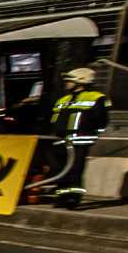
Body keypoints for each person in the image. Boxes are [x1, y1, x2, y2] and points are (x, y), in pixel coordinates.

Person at [43, 68, 109, 208]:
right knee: (59, 169)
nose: (66, 83)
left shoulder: (96, 97)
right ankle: (62, 196)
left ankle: (73, 198)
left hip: (79, 140)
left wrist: (93, 134)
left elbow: (102, 120)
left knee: (75, 169)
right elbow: (54, 120)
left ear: (81, 81)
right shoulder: (63, 99)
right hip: (60, 140)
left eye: (69, 80)